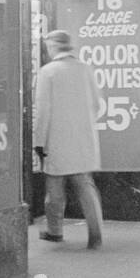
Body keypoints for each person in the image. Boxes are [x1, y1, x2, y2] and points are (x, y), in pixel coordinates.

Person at [33, 29, 105, 249]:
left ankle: (55, 231)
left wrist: (39, 141)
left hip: (57, 139)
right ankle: (96, 234)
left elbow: (43, 110)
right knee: (85, 186)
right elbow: (96, 104)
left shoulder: (48, 72)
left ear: (52, 46)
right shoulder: (85, 69)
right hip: (83, 139)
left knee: (54, 188)